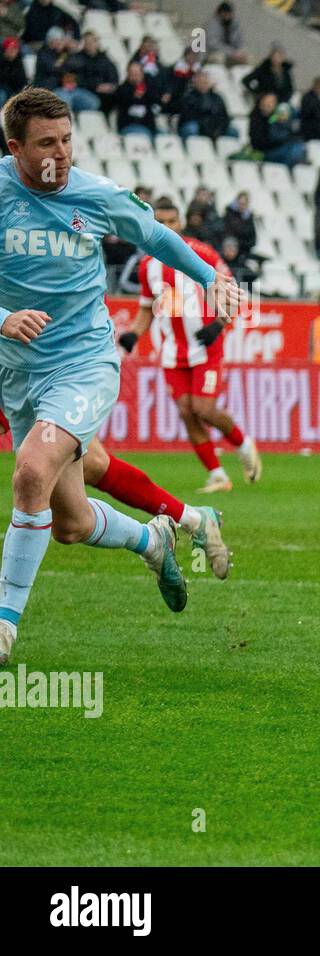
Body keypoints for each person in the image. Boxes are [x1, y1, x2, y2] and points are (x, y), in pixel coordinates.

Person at [0, 88, 247, 663]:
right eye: (45, 145)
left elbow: (156, 237)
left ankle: (6, 623)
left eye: (66, 140)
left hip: (83, 363)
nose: (59, 155)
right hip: (17, 374)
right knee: (68, 522)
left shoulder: (96, 194)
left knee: (31, 470)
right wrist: (5, 319)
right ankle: (152, 536)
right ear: (15, 148)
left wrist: (210, 277)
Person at [119, 196, 261, 493]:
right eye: (161, 222)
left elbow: (233, 289)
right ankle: (217, 475)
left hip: (206, 345)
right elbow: (147, 308)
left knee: (204, 408)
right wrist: (134, 333)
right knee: (186, 410)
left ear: (180, 222)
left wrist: (219, 325)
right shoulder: (148, 266)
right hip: (173, 350)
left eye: (172, 222)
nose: (167, 227)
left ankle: (243, 444)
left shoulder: (201, 253)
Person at [0, 413, 229, 578]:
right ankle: (191, 519)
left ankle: (170, 529)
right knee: (88, 477)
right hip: (23, 369)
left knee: (90, 469)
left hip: (59, 369)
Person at [248, 91, 305, 166]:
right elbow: (259, 142)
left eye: (272, 102)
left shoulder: (275, 117)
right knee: (294, 149)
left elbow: (287, 132)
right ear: (261, 103)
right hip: (265, 151)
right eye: (267, 102)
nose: (270, 105)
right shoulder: (256, 118)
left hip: (278, 147)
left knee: (298, 144)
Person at [178, 69, 233, 139]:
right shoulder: (188, 97)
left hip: (214, 126)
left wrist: (219, 129)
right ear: (195, 83)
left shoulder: (217, 97)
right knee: (191, 129)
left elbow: (224, 116)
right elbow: (188, 116)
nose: (203, 84)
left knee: (232, 131)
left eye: (205, 82)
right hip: (197, 125)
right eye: (200, 82)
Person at [114, 60, 159, 137]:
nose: (135, 77)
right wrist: (136, 96)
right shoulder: (122, 89)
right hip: (130, 126)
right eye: (132, 74)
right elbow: (123, 101)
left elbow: (156, 101)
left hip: (149, 127)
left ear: (142, 74)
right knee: (144, 135)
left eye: (137, 74)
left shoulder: (149, 88)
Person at [205, 2, 248, 66]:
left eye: (229, 14)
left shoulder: (235, 24)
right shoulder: (212, 24)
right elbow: (213, 44)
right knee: (219, 58)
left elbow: (240, 41)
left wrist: (239, 52)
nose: (227, 17)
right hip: (214, 52)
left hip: (232, 53)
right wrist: (231, 52)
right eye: (224, 14)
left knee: (247, 57)